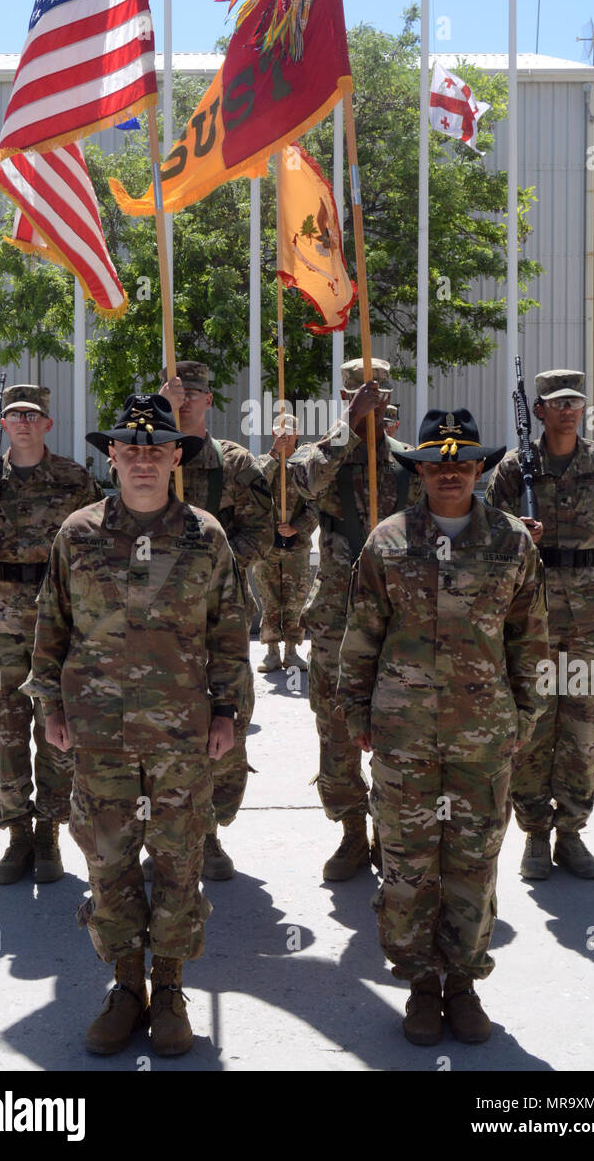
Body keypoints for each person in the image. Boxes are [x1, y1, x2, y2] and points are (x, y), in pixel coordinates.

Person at [23, 393, 249, 1056]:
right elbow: (52, 626)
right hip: (99, 731)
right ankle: (126, 986)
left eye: (156, 449)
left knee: (178, 861)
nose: (143, 460)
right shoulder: (78, 534)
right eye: (130, 449)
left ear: (177, 457)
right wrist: (50, 706)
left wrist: (229, 712)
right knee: (108, 860)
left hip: (182, 731)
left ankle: (171, 987)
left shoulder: (205, 536)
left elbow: (230, 631)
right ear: (112, 458)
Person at [337, 409, 549, 1045]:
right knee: (407, 865)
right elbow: (362, 633)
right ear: (420, 470)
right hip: (402, 735)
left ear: (480, 467)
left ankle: (463, 982)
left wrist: (526, 714)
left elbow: (530, 638)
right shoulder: (388, 541)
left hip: (483, 736)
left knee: (473, 864)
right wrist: (356, 711)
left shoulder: (512, 541)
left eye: (461, 461)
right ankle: (420, 985)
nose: (450, 471)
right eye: (437, 462)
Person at [486, 369, 594, 880]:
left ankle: (571, 833)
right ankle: (535, 832)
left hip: (591, 618)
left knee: (583, 730)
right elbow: (484, 539)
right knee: (532, 728)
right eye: (557, 403)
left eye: (575, 402)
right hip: (530, 617)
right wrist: (516, 534)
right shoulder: (514, 469)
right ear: (539, 411)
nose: (567, 410)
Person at [0, 385, 101, 886]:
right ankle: (16, 833)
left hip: (59, 621)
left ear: (47, 424)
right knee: (6, 729)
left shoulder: (74, 479)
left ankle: (49, 831)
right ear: (3, 423)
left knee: (57, 730)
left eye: (32, 415)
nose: (23, 422)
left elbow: (98, 543)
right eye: (14, 414)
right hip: (2, 622)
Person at [290, 358, 422, 881]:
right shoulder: (323, 455)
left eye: (378, 395)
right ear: (345, 398)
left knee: (397, 727)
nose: (372, 402)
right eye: (359, 395)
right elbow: (300, 482)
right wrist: (346, 426)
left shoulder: (408, 462)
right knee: (336, 725)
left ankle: (390, 830)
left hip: (398, 618)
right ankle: (349, 829)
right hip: (336, 618)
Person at [159, 362, 273, 879]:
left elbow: (261, 531)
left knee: (226, 724)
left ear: (209, 400)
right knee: (159, 728)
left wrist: (214, 564)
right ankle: (164, 836)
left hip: (219, 615)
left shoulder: (234, 463)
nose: (185, 400)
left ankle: (208, 832)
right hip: (155, 621)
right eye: (175, 392)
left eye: (194, 393)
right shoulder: (149, 455)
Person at [252, 414, 318, 674]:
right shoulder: (263, 461)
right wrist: (274, 454)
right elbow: (254, 486)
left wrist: (296, 527)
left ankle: (292, 650)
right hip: (268, 544)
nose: (285, 437)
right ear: (273, 434)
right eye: (280, 433)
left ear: (297, 434)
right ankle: (271, 652)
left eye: (289, 432)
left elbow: (317, 503)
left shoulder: (305, 465)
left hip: (296, 544)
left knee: (295, 599)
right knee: (269, 598)